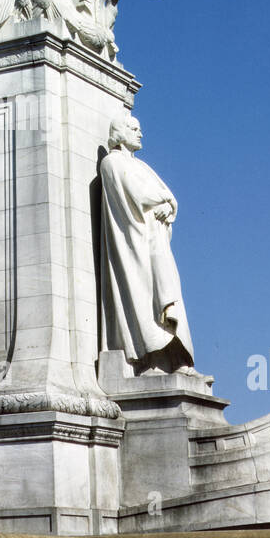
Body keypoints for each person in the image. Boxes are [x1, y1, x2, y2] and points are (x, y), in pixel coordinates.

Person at [98, 114, 194, 374]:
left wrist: (167, 206)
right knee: (147, 296)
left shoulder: (142, 166)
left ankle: (176, 358)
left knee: (168, 291)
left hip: (157, 239)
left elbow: (169, 198)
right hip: (136, 245)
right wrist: (162, 200)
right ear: (120, 133)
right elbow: (138, 196)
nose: (140, 134)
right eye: (134, 129)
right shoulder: (112, 163)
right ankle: (154, 359)